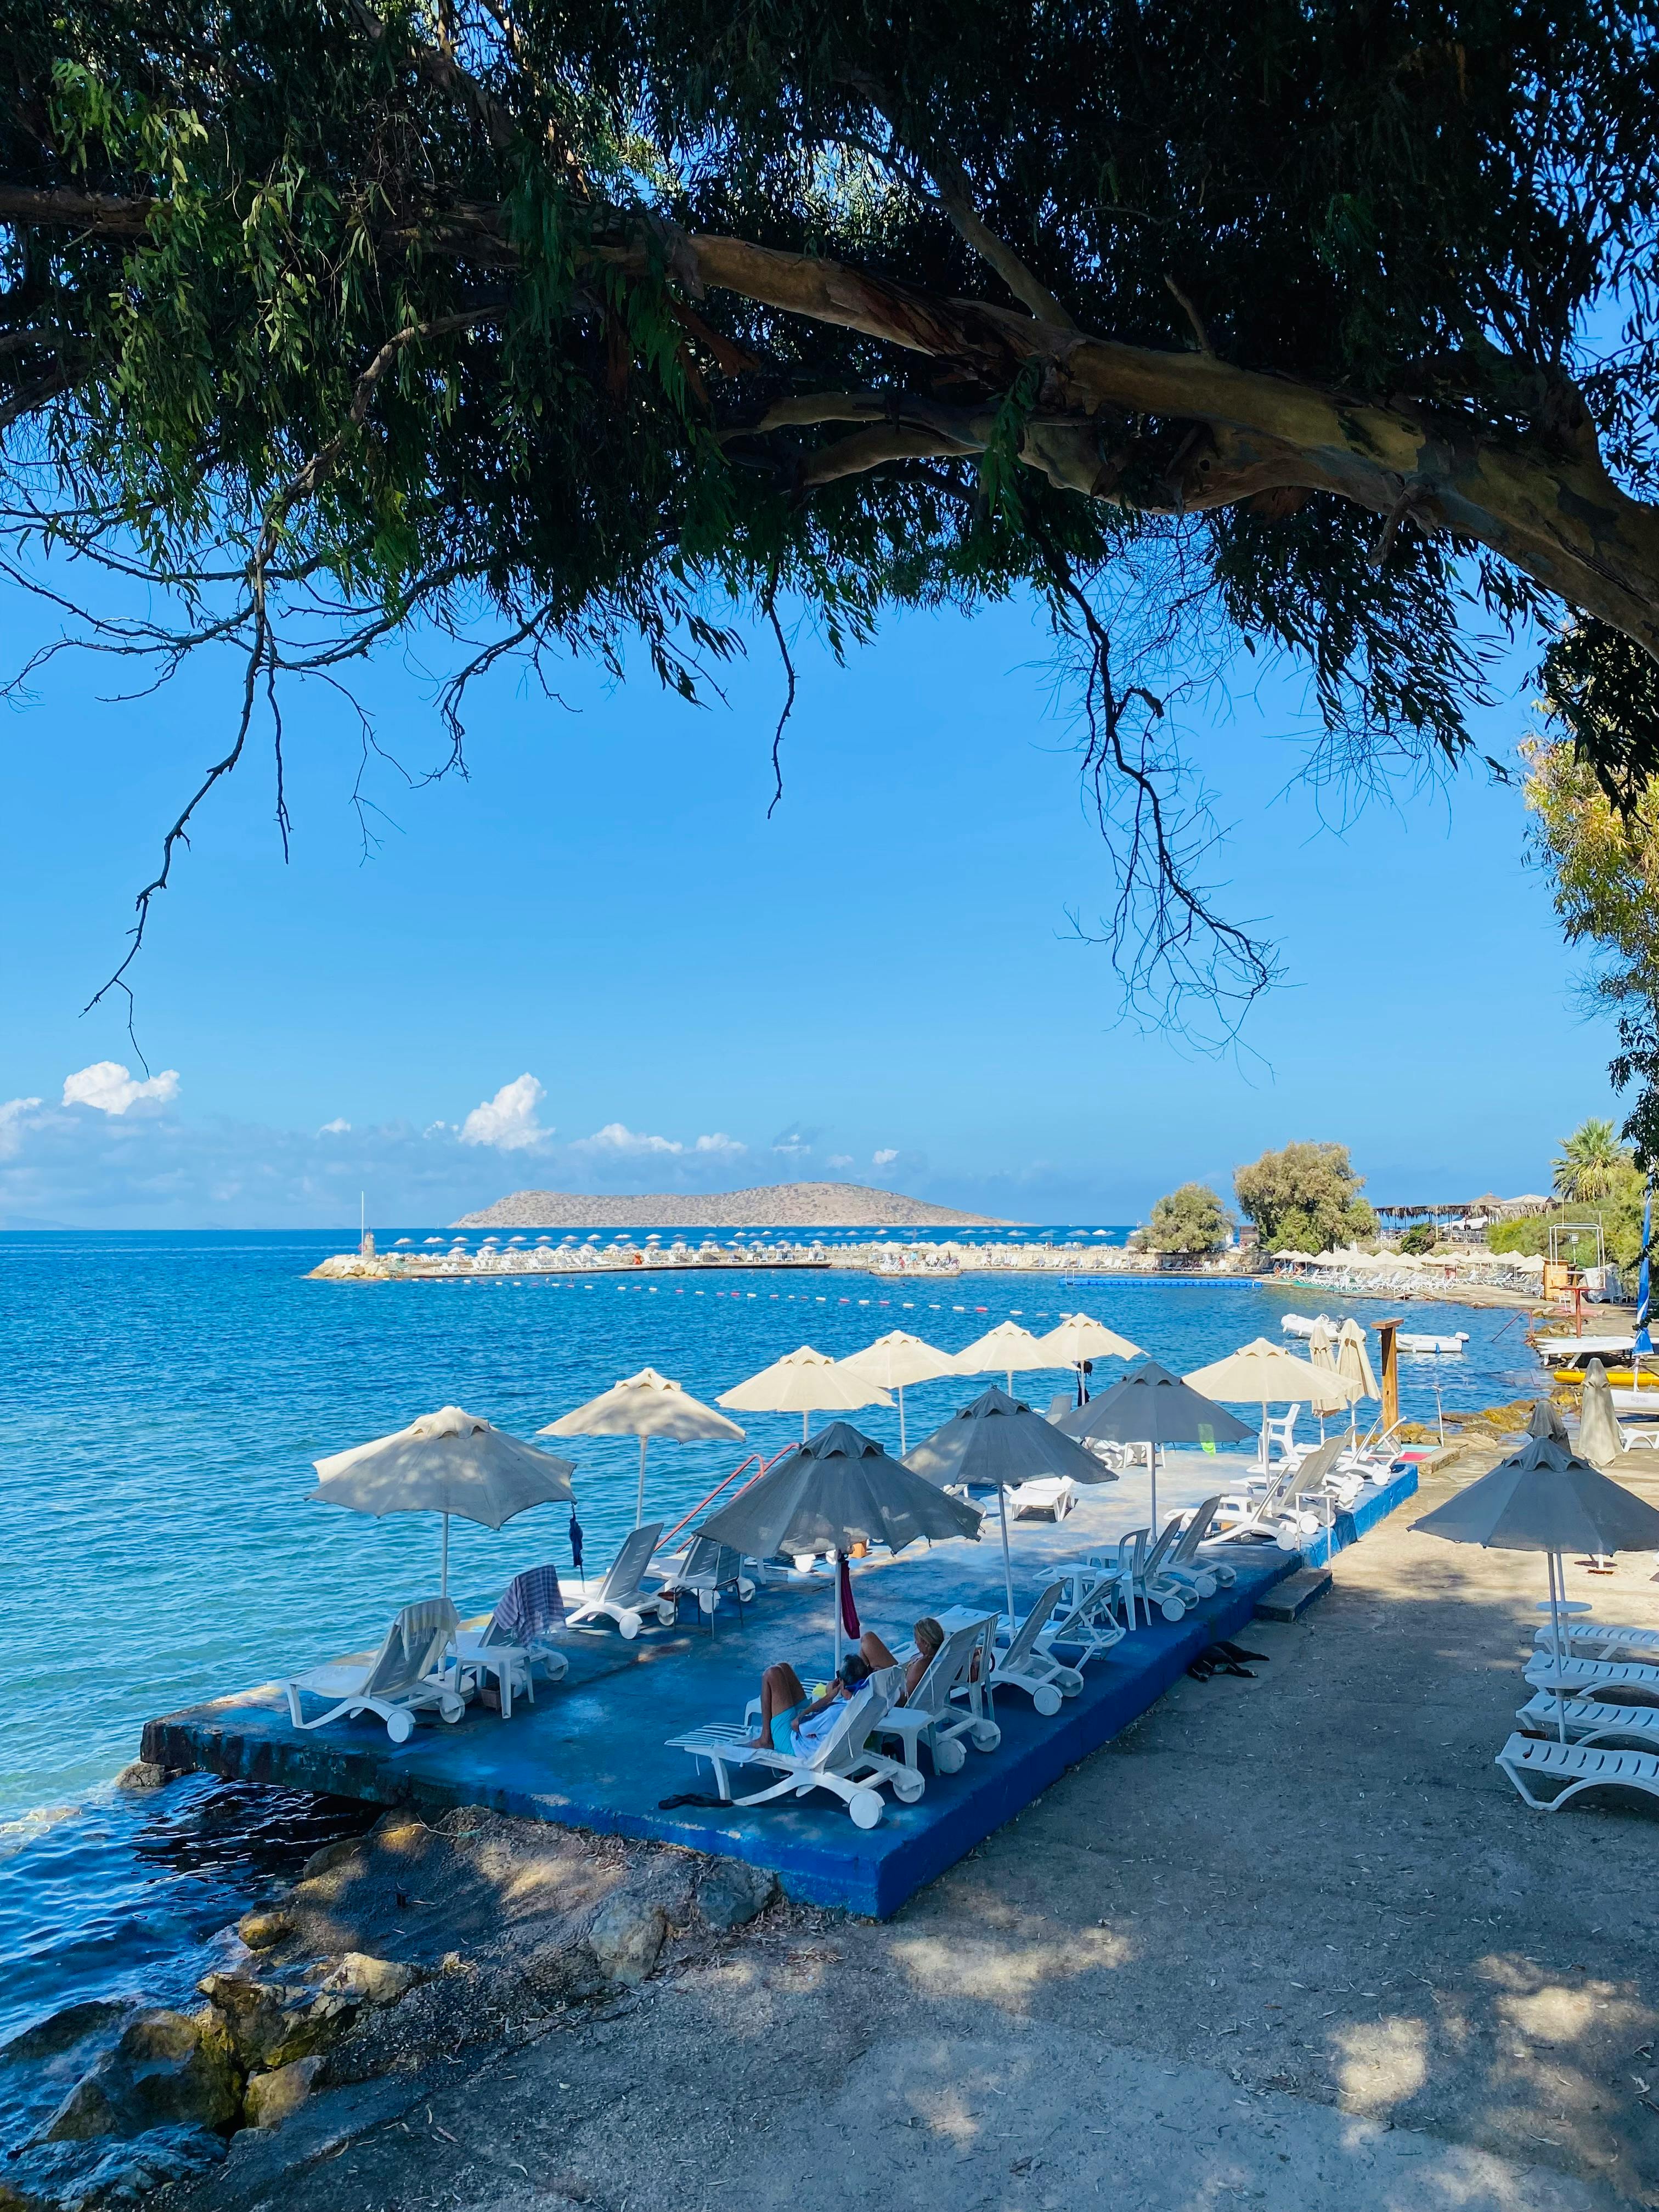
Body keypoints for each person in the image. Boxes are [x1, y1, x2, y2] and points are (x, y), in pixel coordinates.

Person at [748, 1651, 872, 1756]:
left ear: (843, 1684)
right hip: (815, 1734)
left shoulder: (833, 1712)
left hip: (795, 1743)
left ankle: (765, 1739)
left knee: (771, 1673)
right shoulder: (864, 1700)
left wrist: (827, 1697)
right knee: (784, 1667)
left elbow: (796, 1724)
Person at [857, 1617, 946, 1702]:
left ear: (926, 1643)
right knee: (867, 1641)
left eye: (917, 1638)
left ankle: (859, 1688)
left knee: (867, 1639)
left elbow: (902, 1699)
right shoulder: (938, 1655)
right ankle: (861, 1682)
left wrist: (881, 1677)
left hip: (893, 1688)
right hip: (898, 1677)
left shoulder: (920, 1666)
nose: (915, 1642)